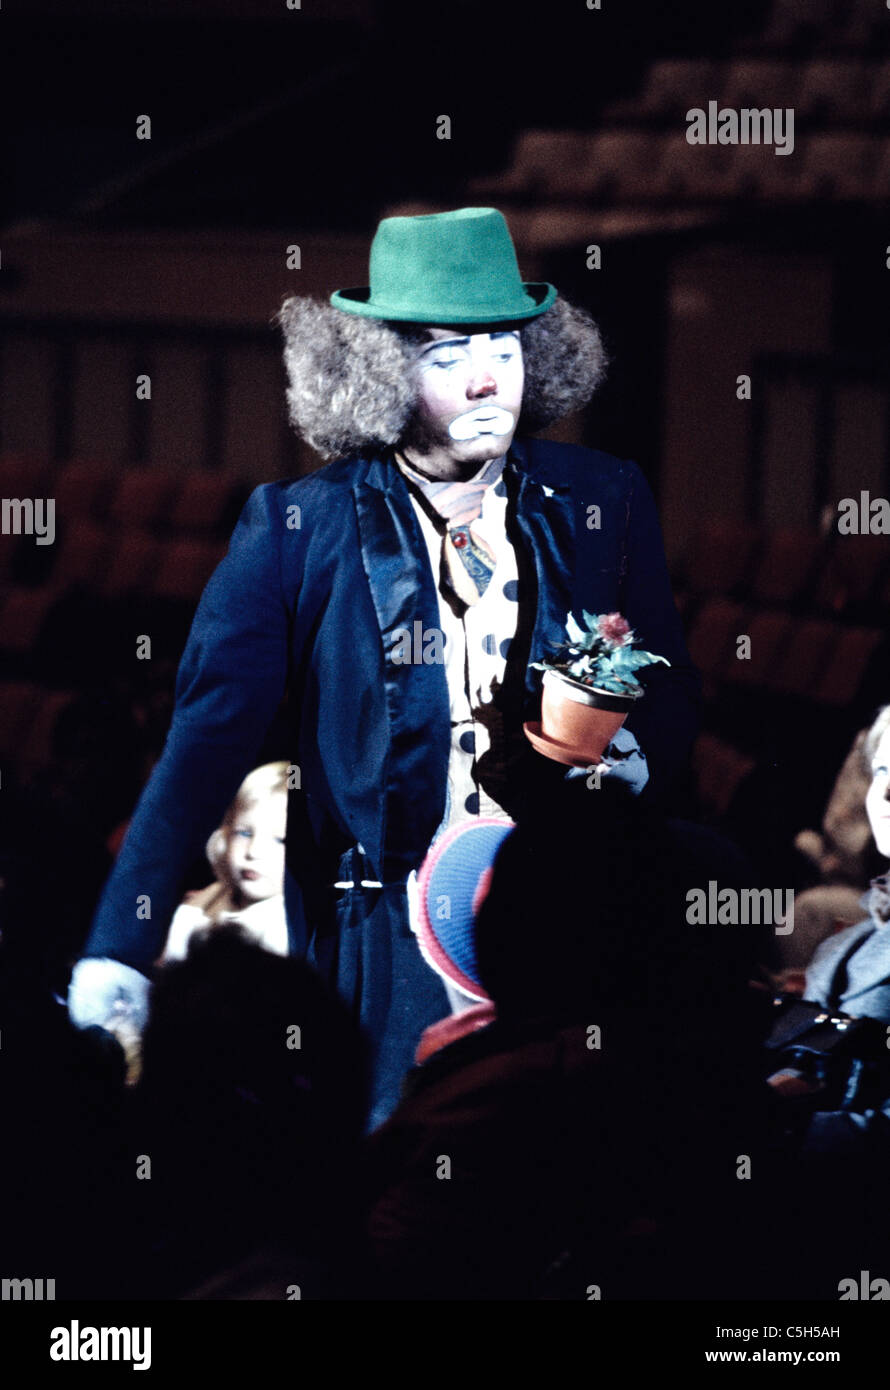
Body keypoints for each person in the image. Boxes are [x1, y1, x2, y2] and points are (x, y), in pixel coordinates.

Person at [68, 206, 699, 1126]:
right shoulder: (295, 528)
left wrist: (616, 752)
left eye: (505, 348)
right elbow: (203, 749)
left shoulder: (603, 497)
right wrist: (119, 945)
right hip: (385, 933)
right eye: (447, 356)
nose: (489, 380)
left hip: (566, 928)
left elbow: (671, 691)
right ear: (381, 374)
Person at [162, 761, 290, 962]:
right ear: (224, 838)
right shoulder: (205, 902)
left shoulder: (286, 926)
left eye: (279, 839)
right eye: (244, 833)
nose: (253, 852)